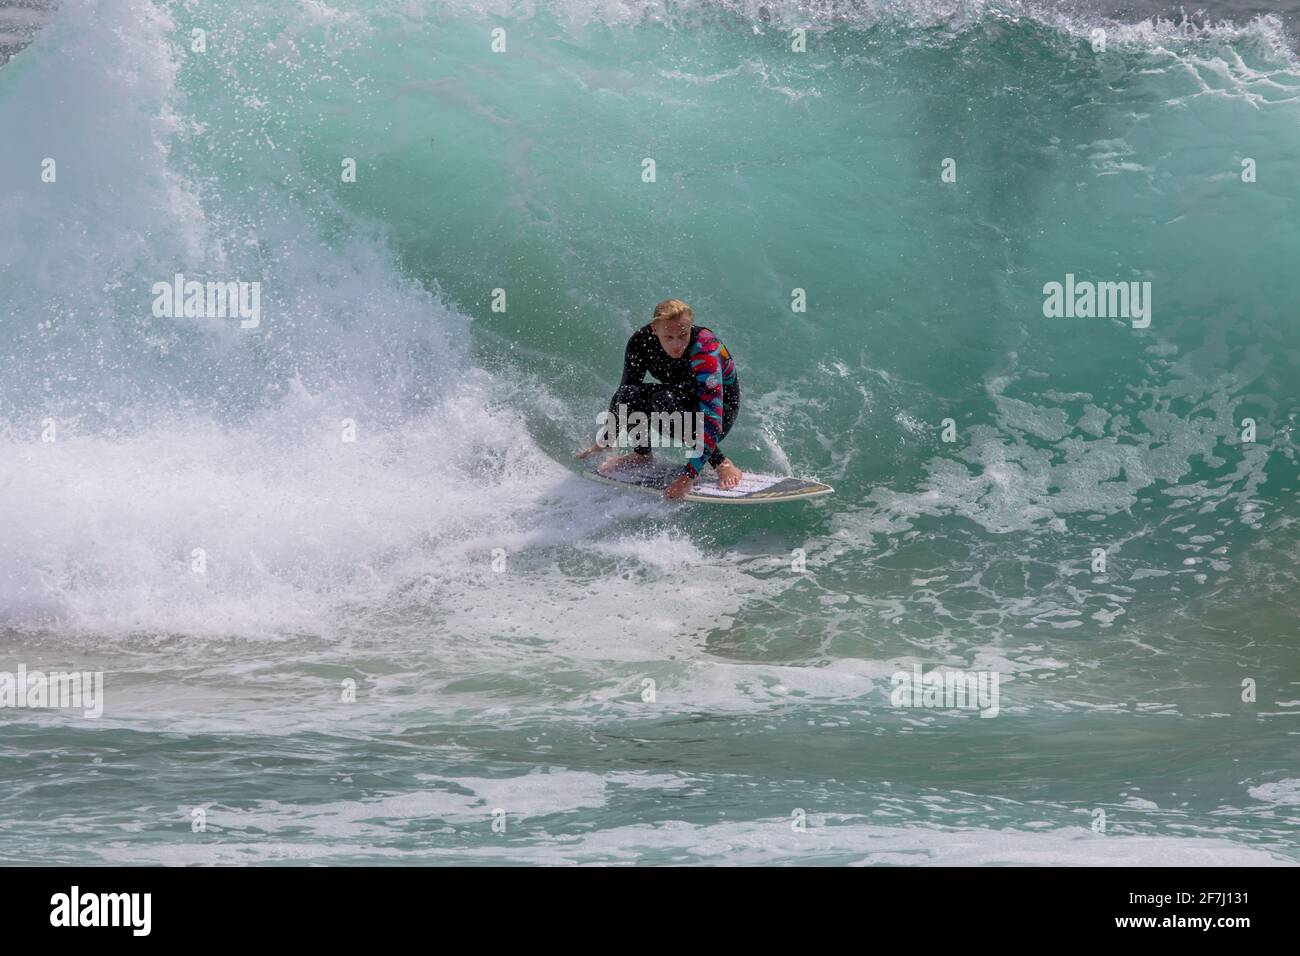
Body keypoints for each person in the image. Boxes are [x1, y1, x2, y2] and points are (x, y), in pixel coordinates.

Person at [577, 299, 742, 500]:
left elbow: (713, 421)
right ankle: (642, 454)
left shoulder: (705, 348)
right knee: (630, 394)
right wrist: (604, 441)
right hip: (678, 400)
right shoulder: (641, 342)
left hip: (721, 410)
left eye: (683, 335)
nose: (677, 345)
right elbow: (624, 395)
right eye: (669, 337)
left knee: (664, 401)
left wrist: (687, 477)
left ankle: (722, 463)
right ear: (655, 329)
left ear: (691, 327)